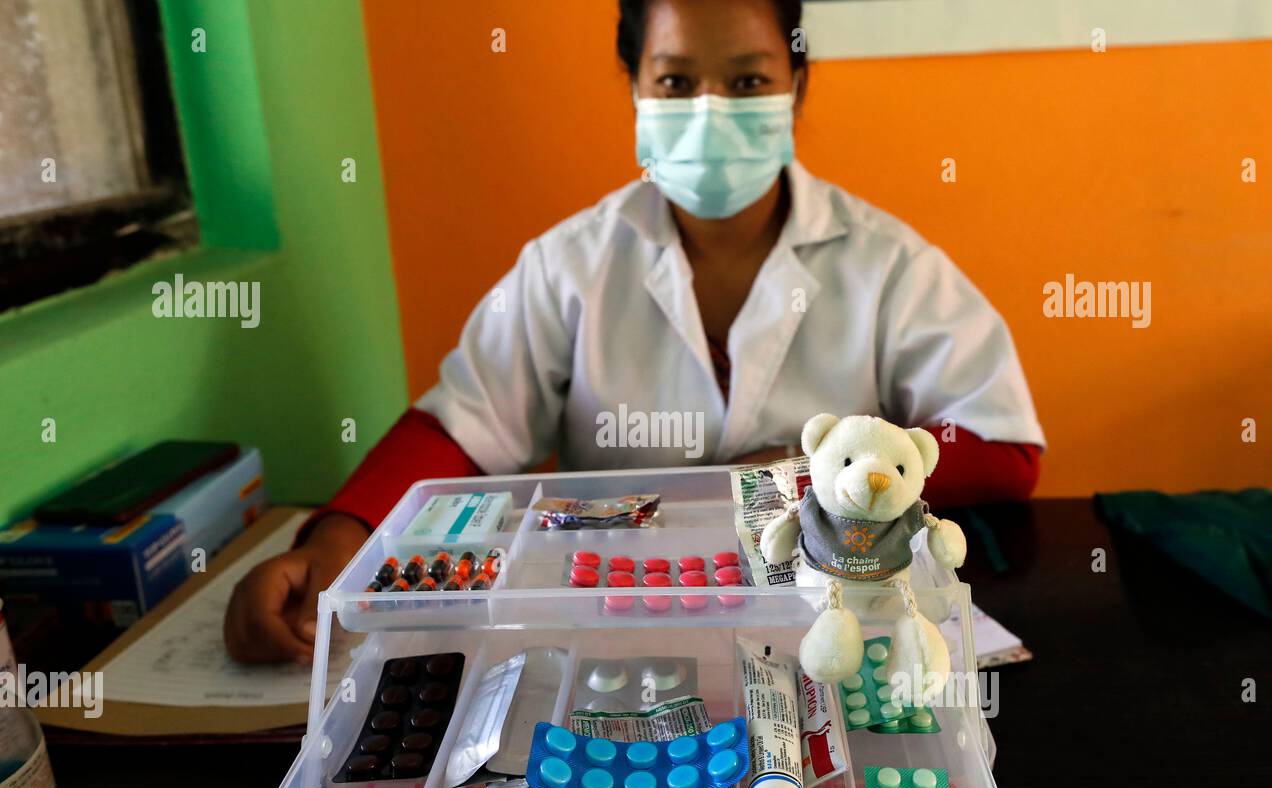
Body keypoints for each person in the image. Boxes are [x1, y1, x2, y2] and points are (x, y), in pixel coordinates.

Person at [224, 0, 1044, 664]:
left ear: (796, 84)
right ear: (634, 87)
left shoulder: (886, 263)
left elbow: (1003, 448)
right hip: (620, 614)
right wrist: (340, 536)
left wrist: (810, 471)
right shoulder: (571, 264)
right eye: (678, 81)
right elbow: (462, 426)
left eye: (749, 79)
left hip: (830, 625)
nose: (712, 112)